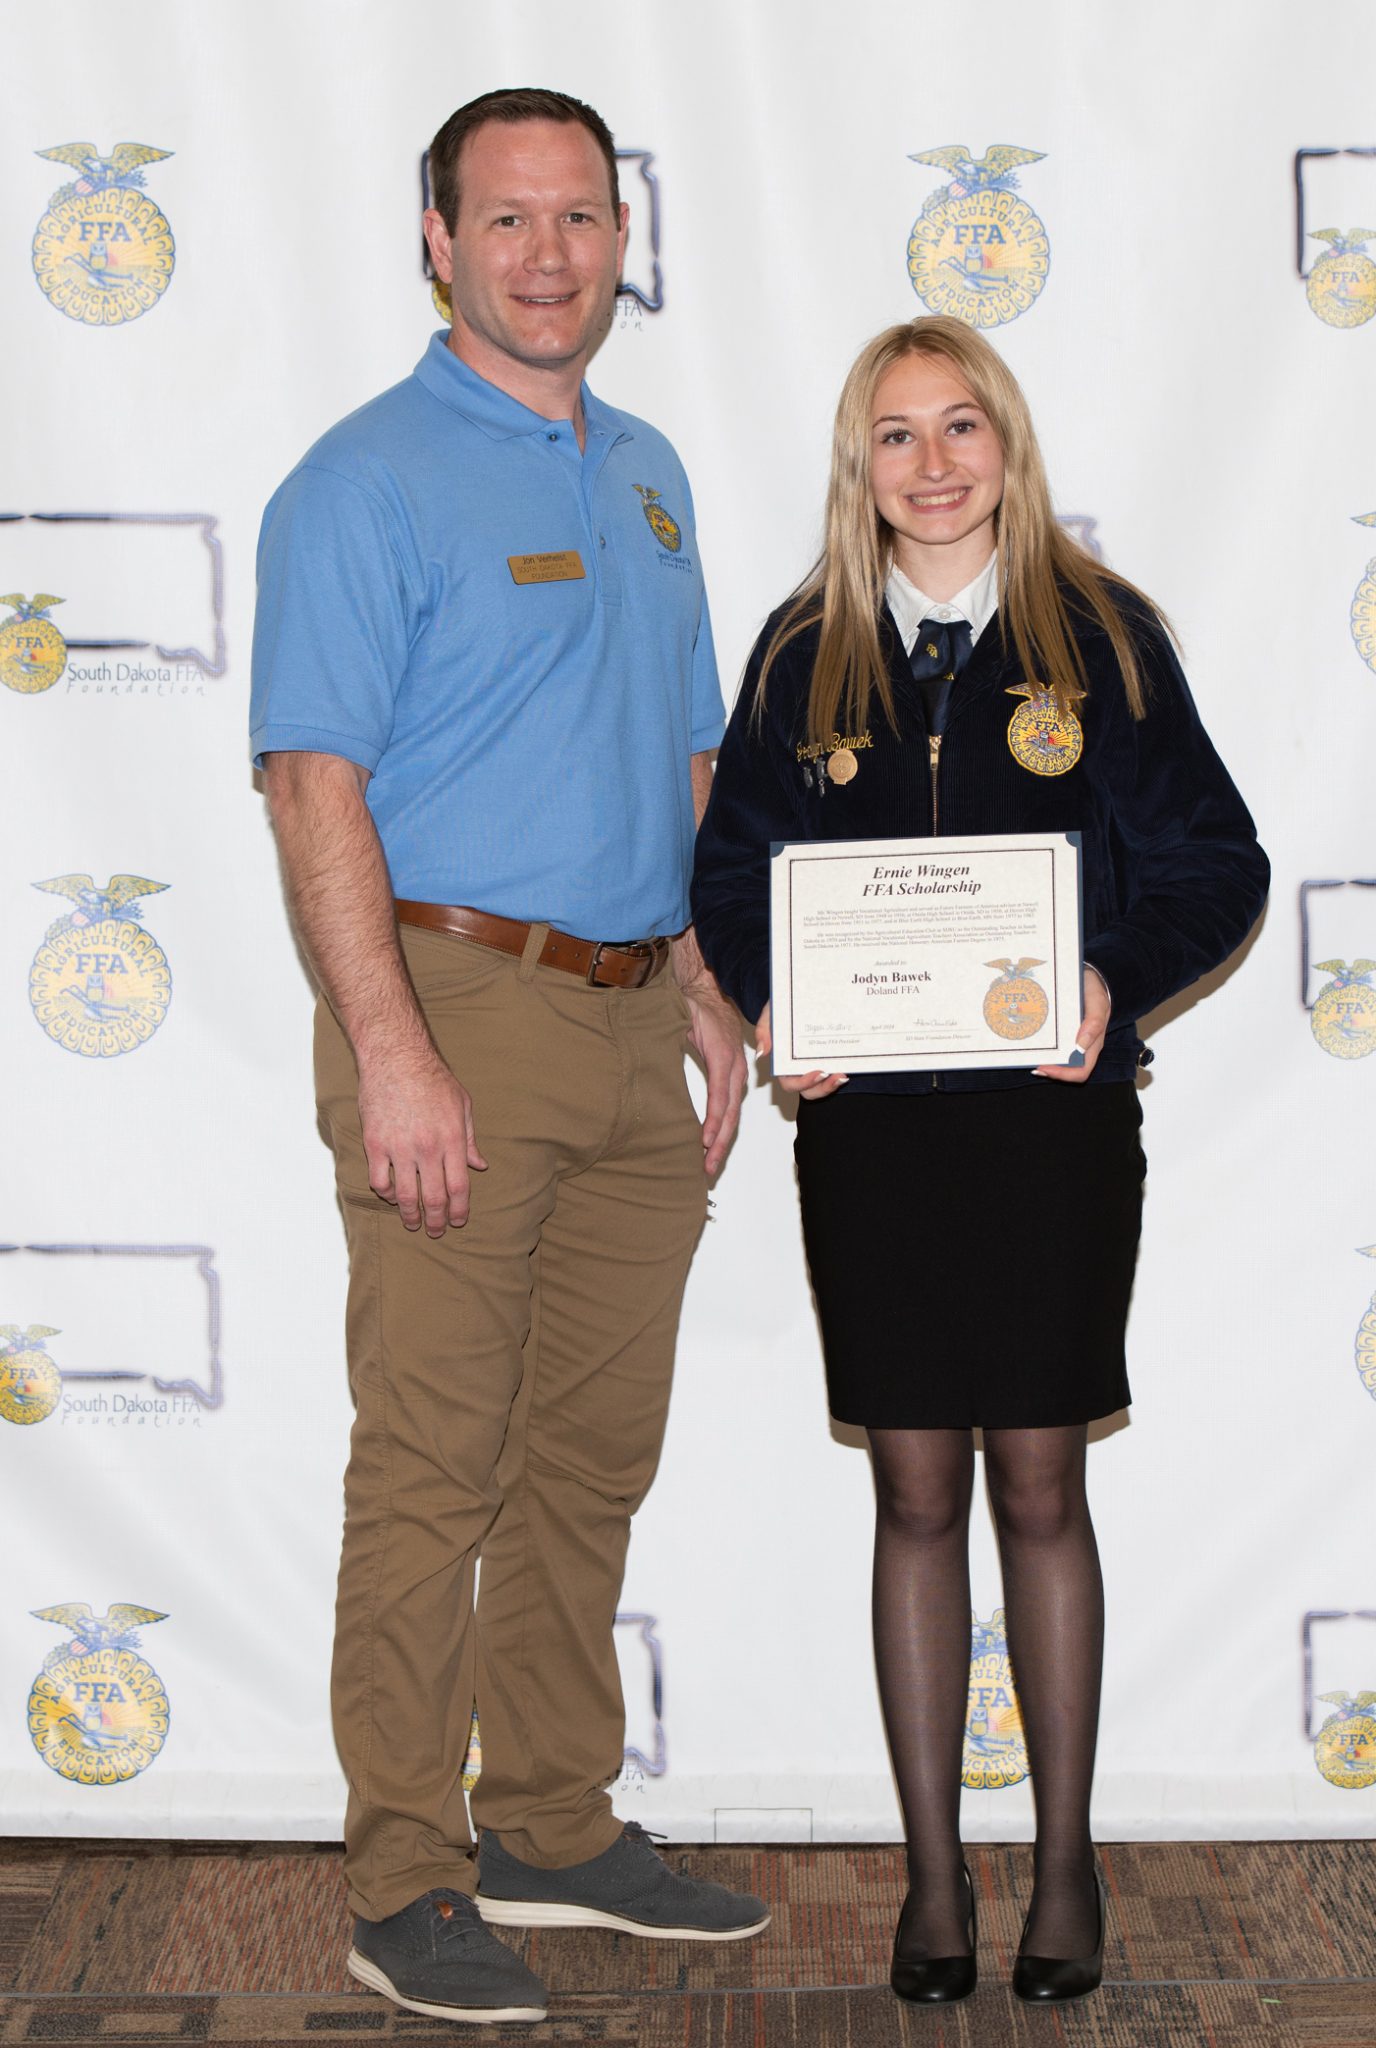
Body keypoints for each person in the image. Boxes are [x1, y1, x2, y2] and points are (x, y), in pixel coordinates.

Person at [250, 87, 764, 2031]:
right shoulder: (362, 480)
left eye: (582, 218)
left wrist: (713, 981)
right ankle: (404, 1868)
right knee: (434, 1463)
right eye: (511, 219)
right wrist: (389, 1048)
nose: (551, 253)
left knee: (583, 1460)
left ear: (622, 239)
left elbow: (686, 753)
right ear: (436, 241)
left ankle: (549, 1814)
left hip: (640, 1019)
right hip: (454, 1008)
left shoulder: (645, 472)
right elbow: (315, 781)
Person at [691, 315, 1268, 2007]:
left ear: (1009, 448)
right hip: (871, 1139)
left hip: (1050, 1127)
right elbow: (734, 877)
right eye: (895, 435)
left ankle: (1068, 1861)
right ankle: (936, 1879)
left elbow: (1217, 864)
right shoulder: (805, 654)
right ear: (855, 467)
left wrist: (1112, 974)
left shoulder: (1104, 639)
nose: (932, 465)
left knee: (1039, 1479)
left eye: (963, 428)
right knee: (914, 1489)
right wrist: (786, 989)